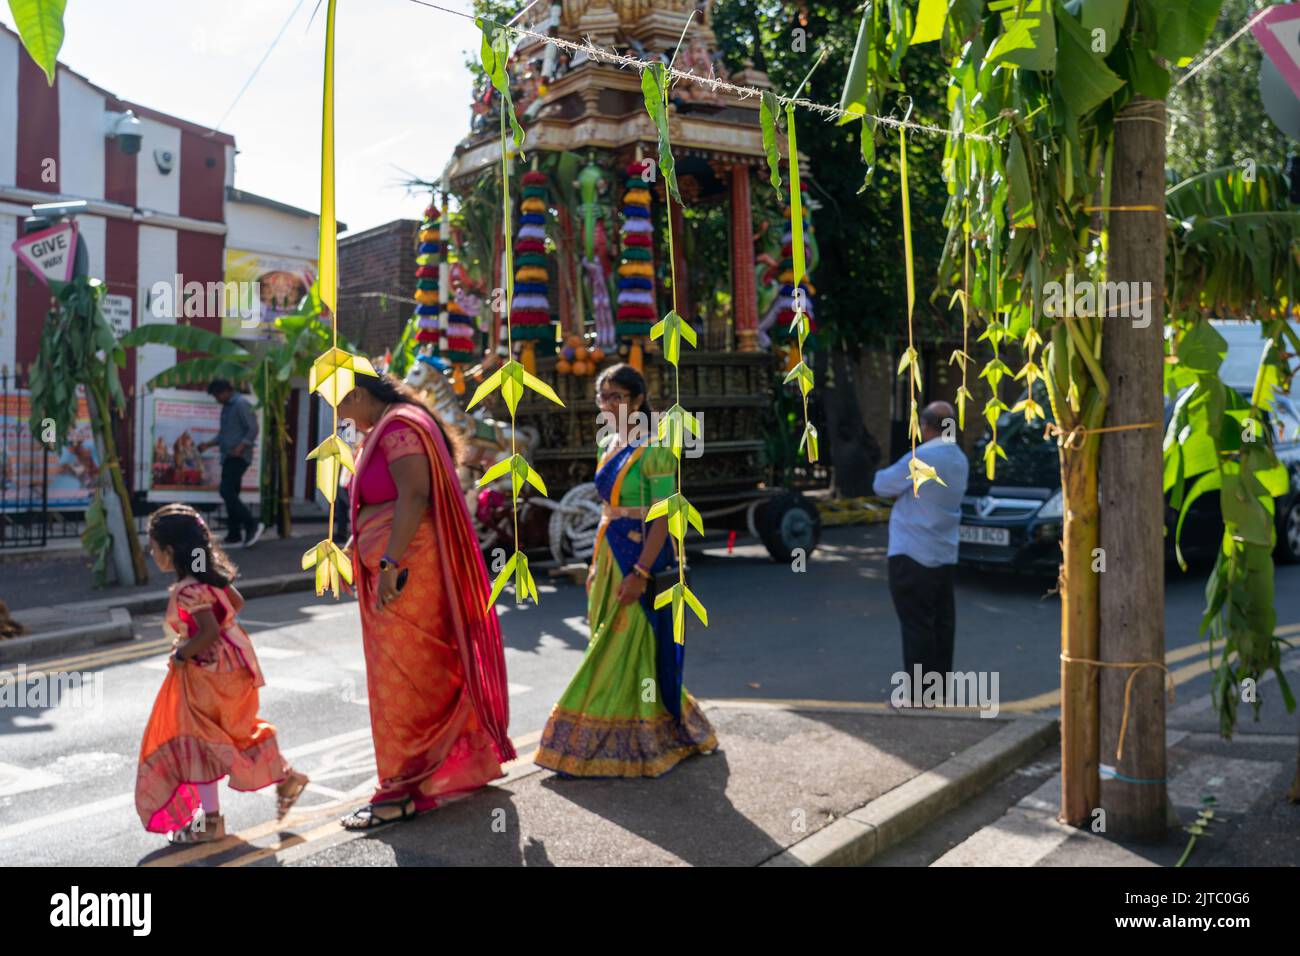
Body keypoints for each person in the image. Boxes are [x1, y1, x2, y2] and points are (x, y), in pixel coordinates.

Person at [335, 373, 515, 829]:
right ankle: (428, 772)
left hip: (407, 569)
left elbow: (414, 495)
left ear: (357, 393)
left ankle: (401, 788)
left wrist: (391, 561)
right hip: (396, 567)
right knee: (414, 673)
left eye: (333, 397)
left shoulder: (398, 428)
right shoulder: (386, 428)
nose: (331, 408)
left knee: (405, 677)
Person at [534, 363, 716, 777]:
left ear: (636, 400)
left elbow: (662, 517)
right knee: (606, 636)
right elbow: (607, 508)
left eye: (617, 396)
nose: (609, 404)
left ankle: (605, 736)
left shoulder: (655, 448)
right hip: (608, 556)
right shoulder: (610, 444)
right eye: (604, 397)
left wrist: (640, 571)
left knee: (625, 642)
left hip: (641, 559)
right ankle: (620, 730)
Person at [135, 503, 308, 844]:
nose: (152, 554)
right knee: (232, 735)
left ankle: (211, 822)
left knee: (201, 743)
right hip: (234, 667)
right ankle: (285, 778)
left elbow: (208, 632)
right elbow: (236, 604)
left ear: (170, 550)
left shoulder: (188, 588)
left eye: (153, 548)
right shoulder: (208, 577)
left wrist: (183, 651)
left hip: (207, 672)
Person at [872, 401, 969, 704]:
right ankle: (937, 693)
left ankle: (916, 695)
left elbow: (882, 485)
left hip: (911, 552)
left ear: (925, 427)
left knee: (916, 625)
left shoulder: (923, 458)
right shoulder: (959, 459)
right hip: (944, 551)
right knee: (941, 623)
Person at [198, 379, 264, 548]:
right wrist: (208, 445)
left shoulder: (241, 404)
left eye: (217, 395)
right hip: (228, 456)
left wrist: (241, 447)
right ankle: (234, 534)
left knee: (226, 491)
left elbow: (253, 428)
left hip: (238, 456)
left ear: (226, 391)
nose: (216, 399)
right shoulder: (227, 407)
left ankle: (251, 524)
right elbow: (224, 435)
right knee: (231, 494)